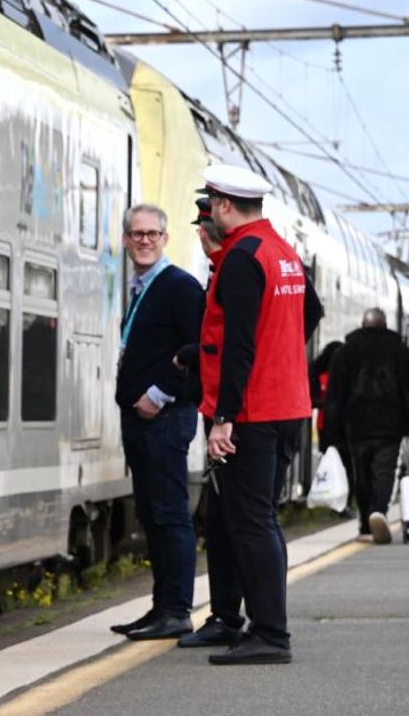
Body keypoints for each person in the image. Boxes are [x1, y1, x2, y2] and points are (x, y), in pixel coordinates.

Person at [199, 164, 323, 665]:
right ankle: (265, 628)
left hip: (252, 411)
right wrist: (282, 349)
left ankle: (271, 634)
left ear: (225, 206)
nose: (209, 213)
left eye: (211, 205)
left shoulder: (242, 257)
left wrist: (223, 416)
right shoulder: (282, 252)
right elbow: (311, 312)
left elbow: (238, 345)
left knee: (251, 523)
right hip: (285, 403)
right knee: (260, 520)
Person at [109, 203, 204, 641]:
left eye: (152, 234)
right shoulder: (140, 287)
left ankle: (178, 610)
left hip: (165, 417)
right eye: (136, 234)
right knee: (151, 513)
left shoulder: (180, 287)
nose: (143, 240)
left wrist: (158, 393)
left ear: (165, 239)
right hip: (142, 420)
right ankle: (161, 607)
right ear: (126, 240)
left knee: (169, 514)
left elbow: (200, 347)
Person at [176, 196, 246, 649]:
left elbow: (236, 343)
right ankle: (231, 615)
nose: (200, 235)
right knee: (224, 519)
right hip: (224, 407)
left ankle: (236, 618)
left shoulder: (237, 266)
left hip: (234, 414)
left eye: (203, 226)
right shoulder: (223, 268)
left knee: (234, 520)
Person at [323, 308, 409, 544]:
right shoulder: (400, 351)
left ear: (362, 325)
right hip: (390, 425)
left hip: (356, 424)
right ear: (384, 325)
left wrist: (331, 430)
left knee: (361, 473)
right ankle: (378, 511)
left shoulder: (345, 352)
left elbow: (335, 395)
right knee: (384, 471)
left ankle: (365, 524)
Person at [309, 341, 347, 513]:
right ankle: (329, 497)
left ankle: (342, 500)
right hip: (325, 425)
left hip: (344, 427)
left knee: (345, 464)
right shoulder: (320, 375)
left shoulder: (344, 375)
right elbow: (313, 399)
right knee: (330, 460)